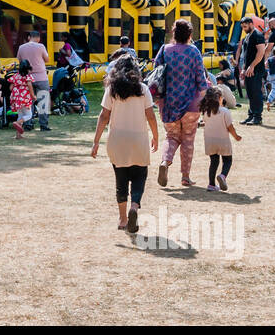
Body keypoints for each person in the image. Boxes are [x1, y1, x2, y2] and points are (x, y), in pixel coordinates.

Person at [89, 57, 159, 233]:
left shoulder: (111, 89)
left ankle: (122, 219)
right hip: (138, 138)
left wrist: (96, 142)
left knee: (120, 179)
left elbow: (104, 116)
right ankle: (134, 207)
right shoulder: (143, 89)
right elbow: (151, 116)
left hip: (117, 139)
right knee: (139, 176)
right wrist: (156, 137)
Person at [154, 19, 210, 187]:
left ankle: (165, 161)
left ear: (173, 33)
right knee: (188, 140)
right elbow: (201, 78)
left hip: (168, 104)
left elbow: (156, 73)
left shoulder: (164, 50)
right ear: (190, 35)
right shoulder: (193, 51)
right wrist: (204, 96)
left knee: (171, 137)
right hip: (190, 104)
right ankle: (185, 177)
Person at [200, 87, 241, 192]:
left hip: (209, 141)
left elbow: (206, 123)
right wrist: (236, 136)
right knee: (227, 161)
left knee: (213, 162)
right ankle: (222, 176)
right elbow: (230, 127)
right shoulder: (224, 111)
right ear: (219, 98)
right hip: (223, 140)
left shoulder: (205, 112)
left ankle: (211, 184)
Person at [16, 30, 52, 132]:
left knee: (28, 103)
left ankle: (28, 124)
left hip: (27, 78)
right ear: (38, 38)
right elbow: (47, 59)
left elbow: (20, 60)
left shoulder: (21, 47)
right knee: (43, 102)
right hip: (41, 77)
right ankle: (43, 125)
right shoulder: (41, 46)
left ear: (29, 37)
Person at [238, 16, 267, 126]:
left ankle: (257, 117)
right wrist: (244, 69)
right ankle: (251, 115)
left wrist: (252, 66)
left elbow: (261, 53)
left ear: (251, 24)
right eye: (242, 27)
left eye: (245, 26)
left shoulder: (258, 35)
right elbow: (246, 55)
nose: (244, 29)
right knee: (250, 93)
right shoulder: (247, 36)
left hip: (256, 69)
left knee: (256, 92)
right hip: (248, 69)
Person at [6, 62, 35, 139]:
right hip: (24, 98)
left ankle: (18, 135)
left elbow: (10, 88)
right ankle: (17, 123)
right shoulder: (28, 76)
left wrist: (17, 89)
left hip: (16, 98)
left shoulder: (16, 76)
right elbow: (30, 86)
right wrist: (33, 96)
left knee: (20, 115)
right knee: (29, 115)